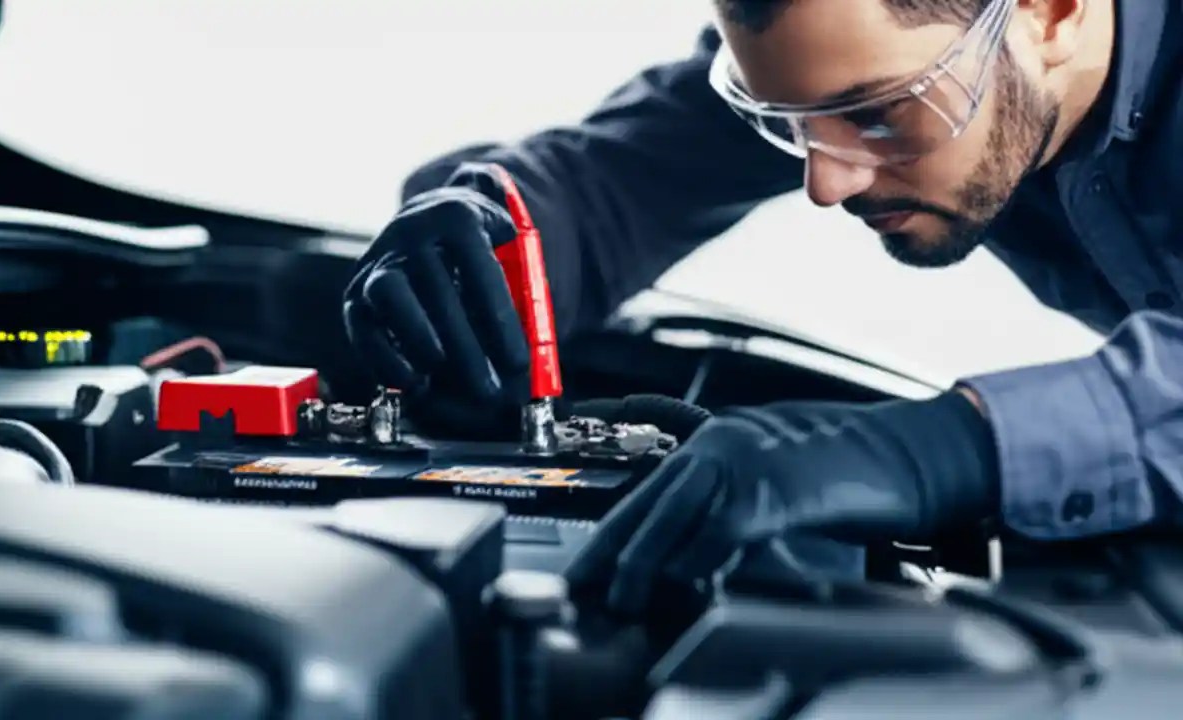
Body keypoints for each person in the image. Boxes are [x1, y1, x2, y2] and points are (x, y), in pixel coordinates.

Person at [343, 0, 1183, 615]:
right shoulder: (911, 49)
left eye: (879, 116)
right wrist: (495, 230)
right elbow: (629, 175)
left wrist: (947, 450)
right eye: (787, 122)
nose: (827, 183)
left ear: (1050, 11)